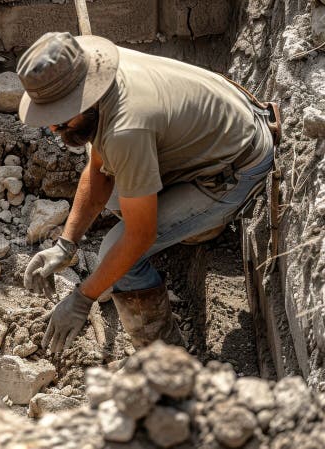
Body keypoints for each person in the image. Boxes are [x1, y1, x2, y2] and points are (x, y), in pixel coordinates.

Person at [18, 32, 279, 355]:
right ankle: (192, 226)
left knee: (120, 252)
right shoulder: (94, 69)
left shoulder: (127, 129)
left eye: (60, 119)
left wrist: (82, 298)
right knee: (117, 198)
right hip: (217, 132)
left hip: (236, 167)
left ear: (85, 97)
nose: (54, 130)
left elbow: (140, 235)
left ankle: (167, 365)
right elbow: (99, 168)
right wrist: (66, 244)